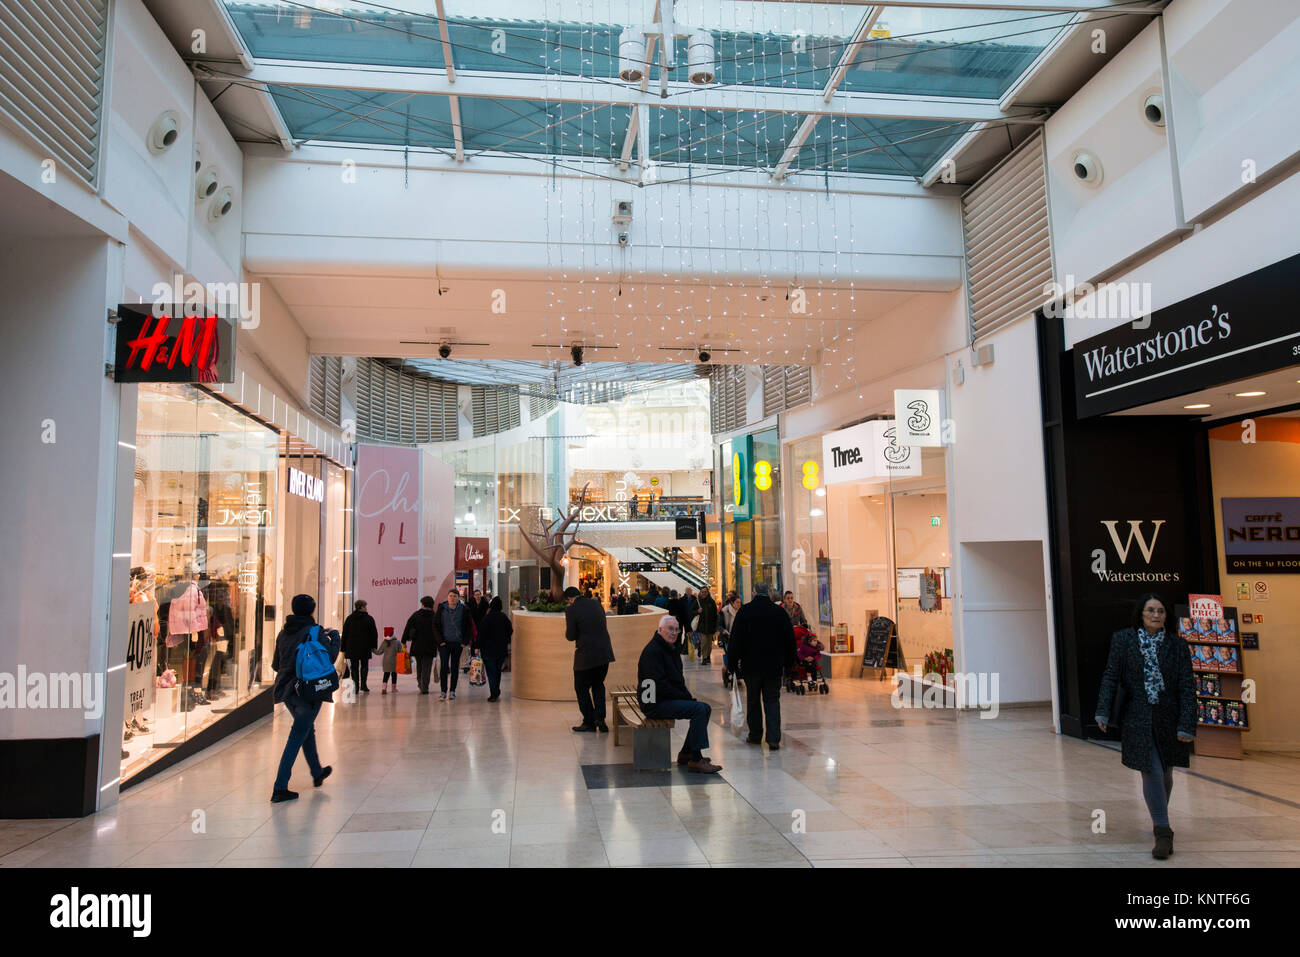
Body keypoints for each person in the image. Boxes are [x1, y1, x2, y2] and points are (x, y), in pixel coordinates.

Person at [1096, 593, 1196, 860]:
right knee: (1150, 769)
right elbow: (1111, 675)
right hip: (1136, 715)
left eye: (1161, 611)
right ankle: (1163, 831)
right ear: (1140, 614)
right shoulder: (1123, 640)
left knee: (1165, 772)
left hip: (1168, 716)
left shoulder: (1177, 645)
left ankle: (1158, 816)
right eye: (1151, 610)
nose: (1156, 615)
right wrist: (1103, 711)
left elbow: (1187, 686)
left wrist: (1187, 723)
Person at [270, 594, 338, 803]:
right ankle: (280, 787)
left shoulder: (283, 632)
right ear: (311, 610)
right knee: (298, 735)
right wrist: (335, 638)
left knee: (306, 730)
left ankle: (317, 772)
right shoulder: (315, 632)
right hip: (308, 691)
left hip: (286, 691)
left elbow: (276, 664)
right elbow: (329, 658)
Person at [637, 615, 721, 774]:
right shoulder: (653, 651)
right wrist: (684, 698)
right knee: (699, 710)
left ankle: (686, 753)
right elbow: (660, 685)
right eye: (670, 629)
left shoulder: (669, 648)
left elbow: (677, 680)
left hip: (662, 699)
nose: (674, 633)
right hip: (653, 704)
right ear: (660, 629)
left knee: (704, 708)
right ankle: (695, 759)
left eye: (676, 629)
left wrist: (687, 697)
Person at [728, 581, 796, 750]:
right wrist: (789, 665)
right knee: (772, 700)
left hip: (752, 666)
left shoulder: (745, 611)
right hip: (773, 666)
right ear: (769, 593)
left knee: (753, 700)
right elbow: (790, 641)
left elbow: (735, 640)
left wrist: (732, 664)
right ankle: (773, 738)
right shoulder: (779, 612)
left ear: (754, 592)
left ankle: (755, 735)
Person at [565, 585, 615, 732]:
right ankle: (600, 719)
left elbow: (571, 636)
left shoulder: (571, 610)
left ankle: (589, 721)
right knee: (598, 685)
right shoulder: (596, 604)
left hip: (586, 656)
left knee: (581, 688)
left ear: (570, 599)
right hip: (604, 653)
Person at [435, 588, 474, 700]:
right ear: (447, 597)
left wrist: (464, 642)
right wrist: (440, 640)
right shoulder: (442, 608)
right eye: (450, 596)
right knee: (443, 667)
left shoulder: (464, 609)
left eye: (455, 596)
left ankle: (452, 690)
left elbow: (469, 627)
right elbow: (435, 625)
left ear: (458, 598)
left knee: (455, 667)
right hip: (444, 644)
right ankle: (443, 691)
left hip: (457, 643)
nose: (452, 598)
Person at [476, 596, 512, 701]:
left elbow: (481, 634)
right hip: (500, 649)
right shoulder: (504, 617)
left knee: (491, 672)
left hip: (488, 650)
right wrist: (505, 639)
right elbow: (510, 630)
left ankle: (494, 692)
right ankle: (496, 689)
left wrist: (477, 646)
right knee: (497, 671)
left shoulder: (486, 618)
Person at [401, 596, 438, 694]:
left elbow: (407, 627)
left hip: (417, 644)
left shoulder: (416, 615)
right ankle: (424, 687)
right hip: (430, 645)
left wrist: (403, 641)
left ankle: (420, 683)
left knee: (419, 666)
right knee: (427, 667)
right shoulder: (434, 616)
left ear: (422, 604)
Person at [341, 599, 378, 696]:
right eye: (365, 606)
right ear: (361, 607)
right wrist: (374, 646)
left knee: (354, 667)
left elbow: (345, 634)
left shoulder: (349, 618)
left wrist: (343, 648)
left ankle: (355, 687)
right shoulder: (369, 619)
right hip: (365, 646)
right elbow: (374, 634)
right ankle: (364, 685)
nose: (366, 608)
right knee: (364, 666)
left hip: (352, 647)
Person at [695, 586, 719, 665]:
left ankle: (708, 656)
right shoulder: (698, 601)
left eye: (705, 592)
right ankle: (704, 657)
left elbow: (715, 615)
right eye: (702, 592)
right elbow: (691, 611)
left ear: (707, 592)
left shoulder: (711, 602)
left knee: (709, 643)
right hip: (702, 626)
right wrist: (697, 611)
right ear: (700, 593)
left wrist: (716, 626)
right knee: (704, 642)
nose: (704, 593)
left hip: (710, 626)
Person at [377, 627, 401, 694]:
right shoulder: (397, 642)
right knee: (394, 674)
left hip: (386, 661)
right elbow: (401, 651)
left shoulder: (384, 642)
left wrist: (372, 650)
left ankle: (384, 688)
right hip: (394, 661)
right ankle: (394, 688)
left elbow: (379, 652)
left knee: (386, 674)